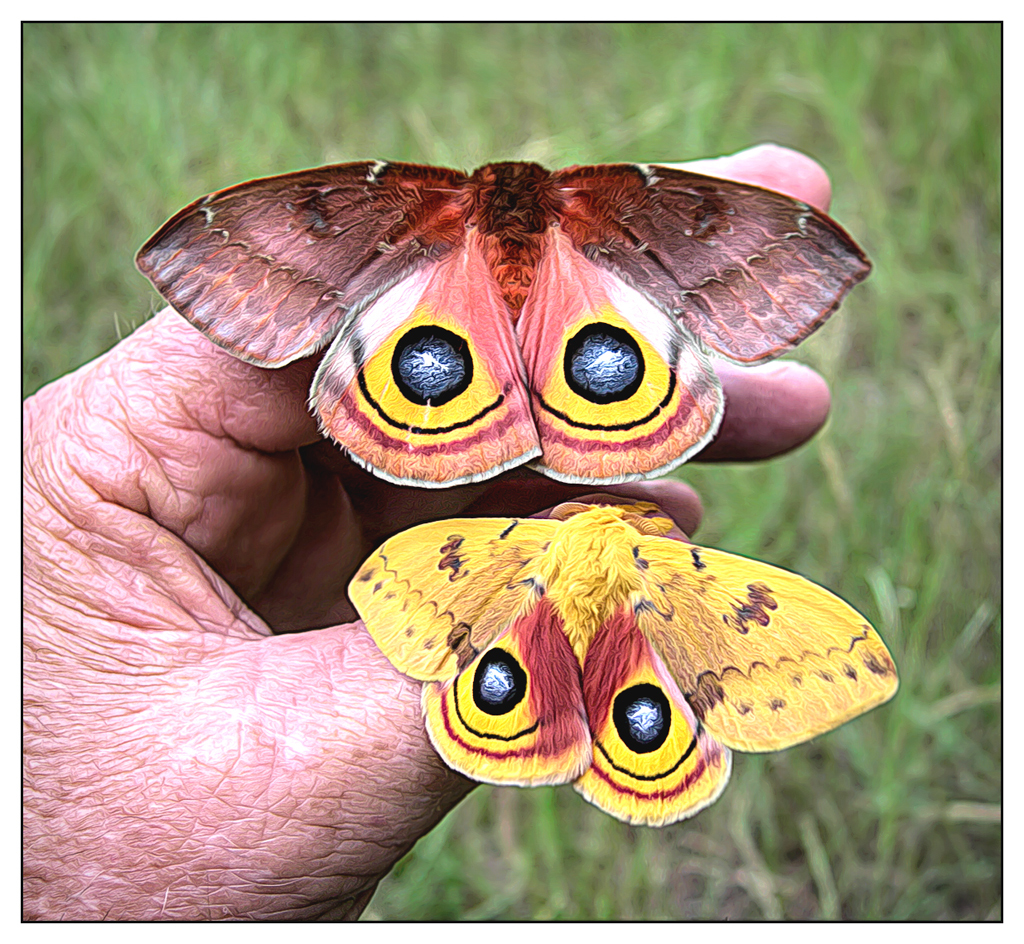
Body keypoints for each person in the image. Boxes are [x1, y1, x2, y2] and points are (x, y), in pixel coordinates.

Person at [24, 145, 836, 920]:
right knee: (605, 389)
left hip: (449, 328)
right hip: (553, 319)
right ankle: (571, 375)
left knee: (432, 386)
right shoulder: (620, 203)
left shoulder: (405, 202)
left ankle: (484, 374)